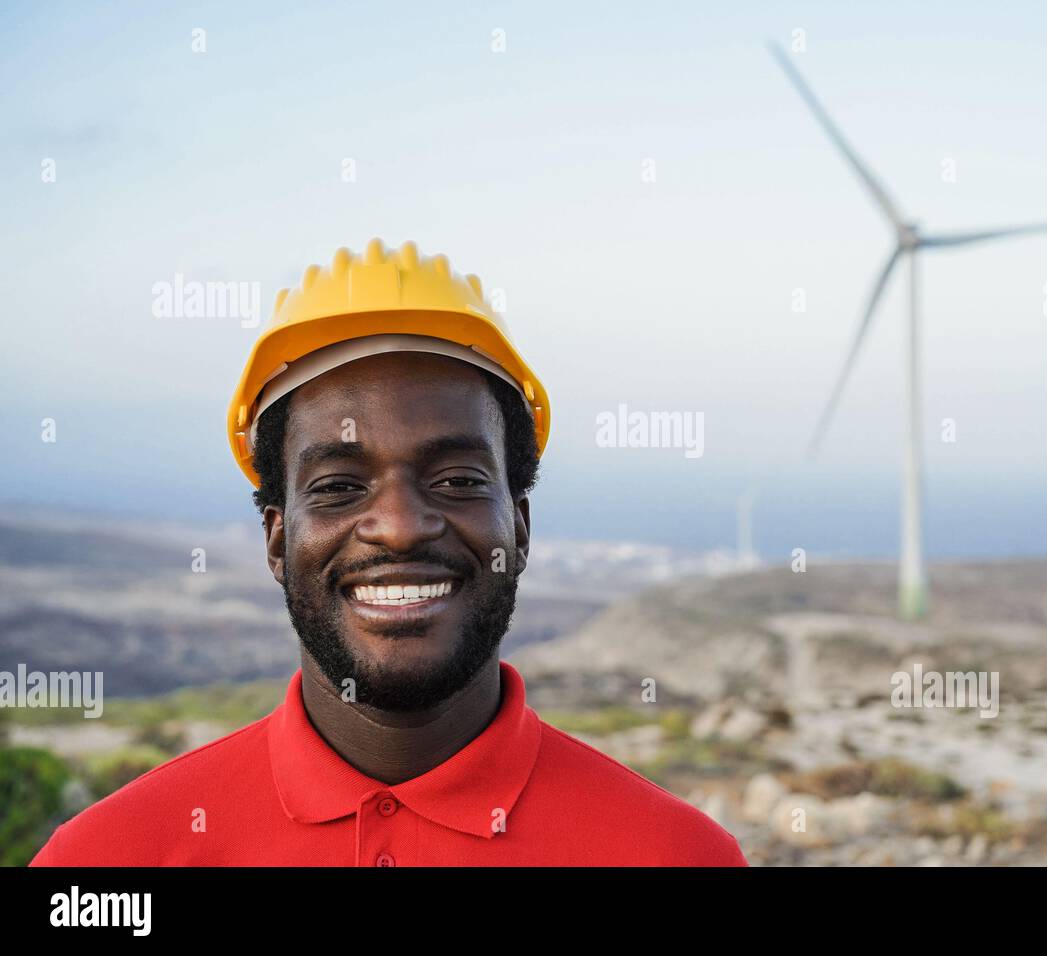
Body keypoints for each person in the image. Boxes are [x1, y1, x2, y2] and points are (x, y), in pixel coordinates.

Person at [30, 240, 747, 866]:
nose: (401, 527)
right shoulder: (109, 856)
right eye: (340, 486)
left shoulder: (675, 855)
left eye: (458, 480)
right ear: (279, 540)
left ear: (520, 529)